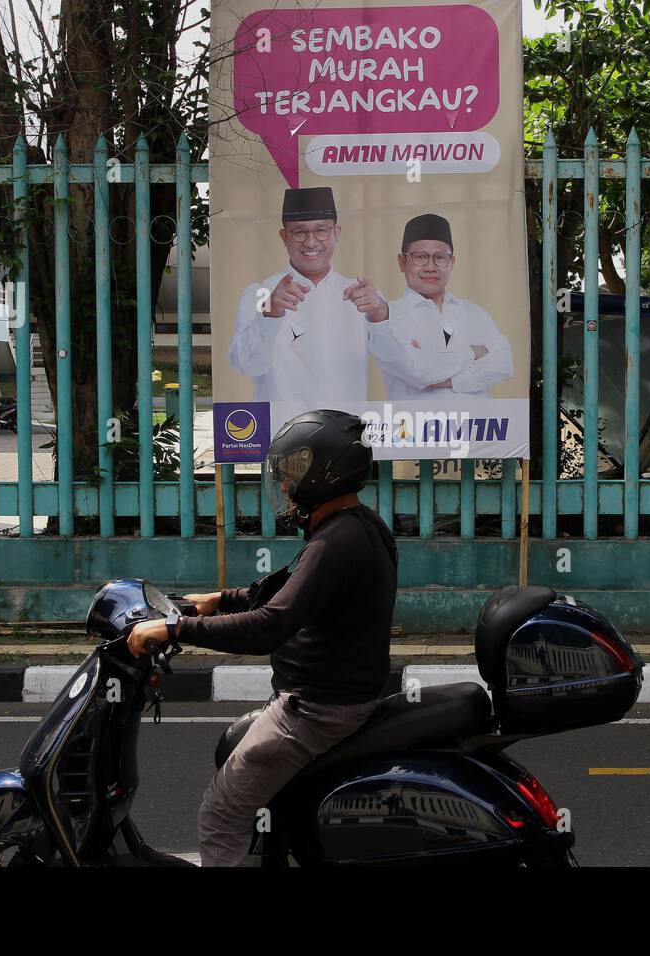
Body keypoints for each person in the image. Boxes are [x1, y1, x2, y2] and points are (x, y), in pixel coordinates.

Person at [127, 409, 397, 867]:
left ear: (323, 474)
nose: (288, 485)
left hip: (315, 710)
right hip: (331, 698)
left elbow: (270, 625)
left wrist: (175, 628)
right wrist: (218, 599)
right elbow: (283, 592)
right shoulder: (355, 526)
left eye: (295, 473)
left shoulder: (335, 544)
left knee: (220, 812)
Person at [228, 187, 390, 402]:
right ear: (284, 236)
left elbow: (400, 366)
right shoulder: (260, 293)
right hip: (282, 430)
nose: (311, 242)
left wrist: (381, 314)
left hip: (346, 430)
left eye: (321, 230)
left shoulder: (363, 296)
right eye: (300, 232)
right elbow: (247, 364)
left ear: (336, 233)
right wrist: (269, 313)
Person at [367, 213, 513, 401]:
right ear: (402, 262)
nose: (430, 267)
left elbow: (504, 364)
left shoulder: (474, 313)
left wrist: (448, 380)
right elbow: (417, 371)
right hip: (414, 429)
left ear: (452, 262)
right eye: (420, 257)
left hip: (476, 428)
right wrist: (472, 352)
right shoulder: (387, 317)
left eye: (440, 258)